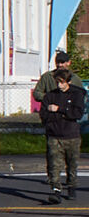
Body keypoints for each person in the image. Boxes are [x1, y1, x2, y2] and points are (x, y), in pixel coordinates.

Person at [33, 52, 84, 203]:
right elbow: (44, 111)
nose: (59, 84)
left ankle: (72, 187)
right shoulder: (49, 86)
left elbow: (76, 111)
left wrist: (61, 110)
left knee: (72, 163)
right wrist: (50, 114)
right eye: (58, 62)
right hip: (54, 133)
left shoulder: (76, 85)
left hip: (71, 134)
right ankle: (56, 190)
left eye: (62, 82)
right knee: (54, 164)